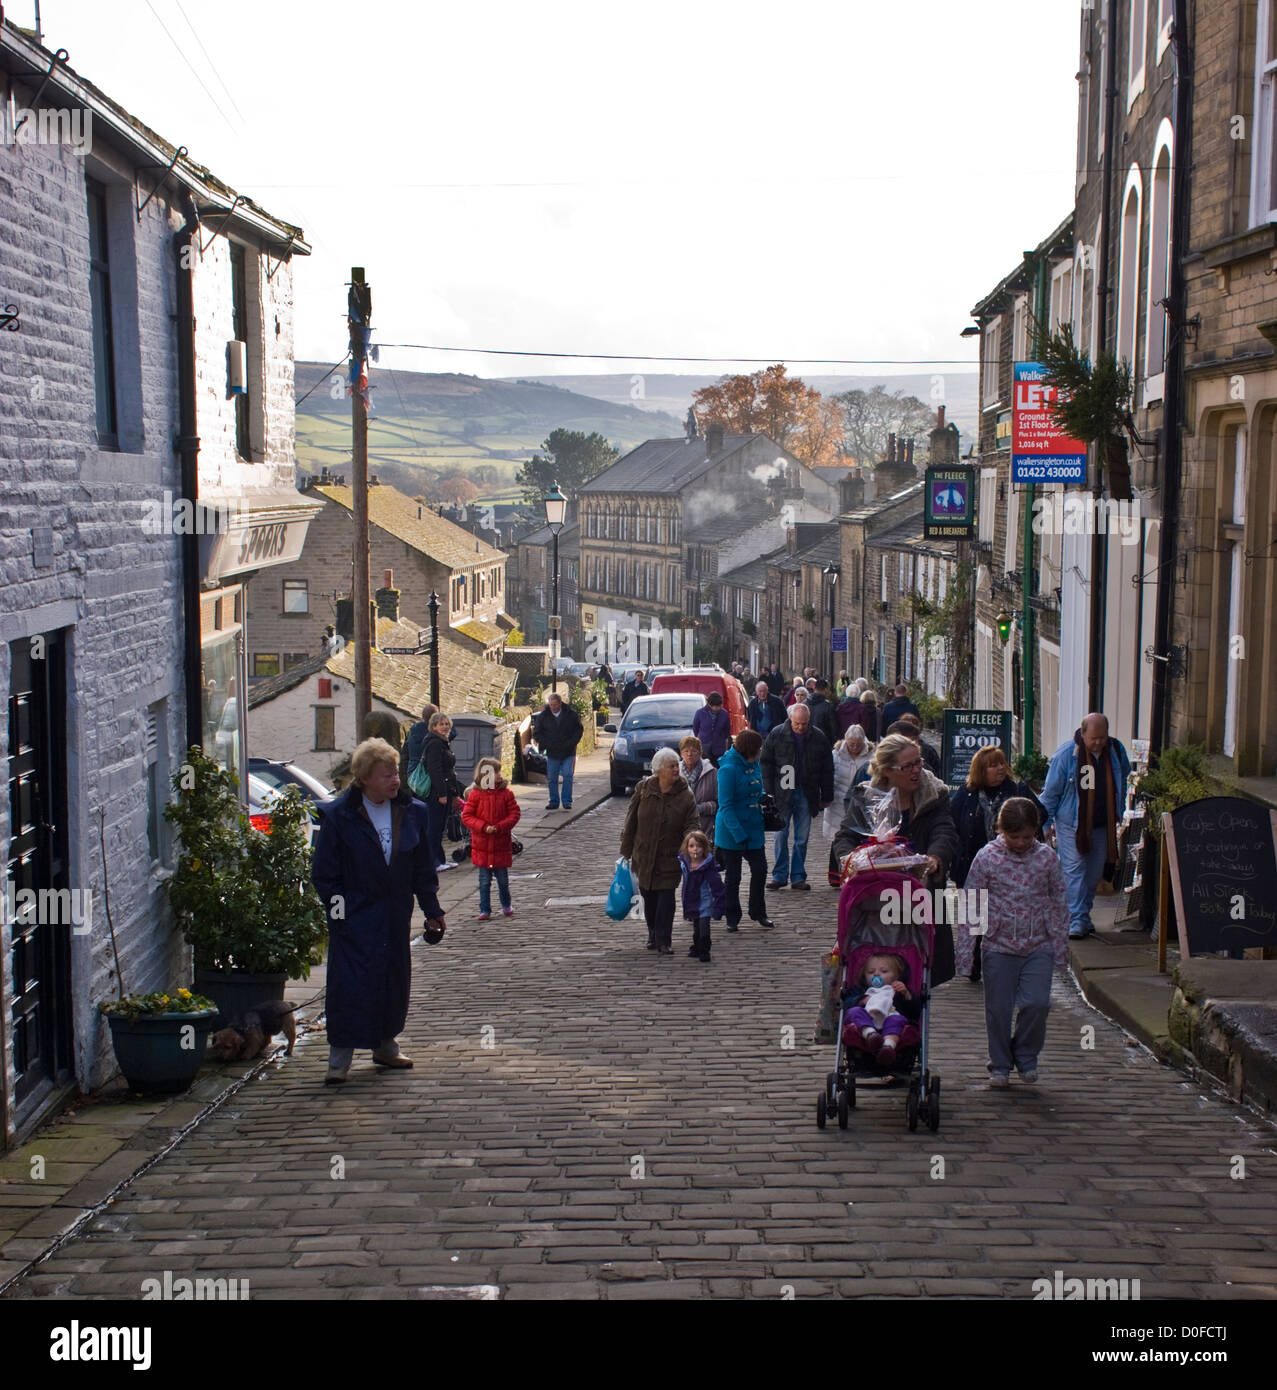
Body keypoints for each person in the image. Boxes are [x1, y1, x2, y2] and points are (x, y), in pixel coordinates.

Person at [312, 738, 444, 1084]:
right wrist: (340, 913)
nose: (395, 780)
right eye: (386, 775)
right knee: (350, 986)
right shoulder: (340, 817)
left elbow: (422, 868)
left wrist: (432, 909)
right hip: (355, 916)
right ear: (364, 779)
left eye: (396, 773)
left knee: (392, 980)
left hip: (395, 914)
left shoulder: (411, 812)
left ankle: (385, 1045)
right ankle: (339, 1057)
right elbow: (326, 873)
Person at [833, 732, 959, 983]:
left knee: (916, 976)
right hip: (873, 905)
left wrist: (934, 858)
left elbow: (944, 830)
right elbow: (845, 837)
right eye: (908, 766)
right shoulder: (865, 797)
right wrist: (851, 861)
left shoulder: (934, 794)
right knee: (870, 971)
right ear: (888, 770)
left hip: (919, 898)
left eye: (919, 762)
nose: (917, 770)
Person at [965, 798, 1069, 1086]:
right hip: (998, 945)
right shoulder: (987, 857)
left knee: (1037, 1004)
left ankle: (1025, 1055)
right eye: (1014, 837)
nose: (1022, 843)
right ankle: (999, 1062)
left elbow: (1059, 902)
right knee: (998, 1009)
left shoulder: (1047, 858)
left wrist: (1060, 947)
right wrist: (966, 952)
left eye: (1027, 836)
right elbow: (972, 904)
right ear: (1001, 830)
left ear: (1036, 830)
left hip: (1038, 943)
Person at [1039, 712, 1131, 939]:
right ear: (1083, 734)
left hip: (1102, 824)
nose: (1099, 742)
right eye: (1094, 738)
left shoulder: (1116, 752)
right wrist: (1045, 823)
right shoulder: (1066, 756)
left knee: (1093, 874)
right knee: (1075, 871)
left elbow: (1123, 777)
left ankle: (1083, 915)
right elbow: (1050, 793)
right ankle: (1075, 919)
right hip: (1072, 824)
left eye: (1102, 737)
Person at [620, 747, 699, 955]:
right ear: (659, 770)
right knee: (648, 897)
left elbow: (692, 823)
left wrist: (692, 845)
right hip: (644, 854)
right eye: (671, 766)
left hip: (669, 856)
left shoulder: (685, 795)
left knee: (666, 898)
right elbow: (631, 821)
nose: (676, 769)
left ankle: (665, 939)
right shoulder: (644, 789)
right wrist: (626, 850)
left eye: (677, 766)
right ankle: (653, 932)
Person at [761, 702, 834, 891]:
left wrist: (826, 794)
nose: (801, 727)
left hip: (806, 790)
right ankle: (779, 875)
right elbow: (766, 763)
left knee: (802, 837)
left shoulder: (818, 737)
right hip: (783, 790)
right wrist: (769, 790)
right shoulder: (777, 734)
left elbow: (827, 768)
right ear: (790, 720)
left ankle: (798, 876)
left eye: (804, 724)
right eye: (797, 724)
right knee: (780, 835)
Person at [714, 729, 776, 933]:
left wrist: (764, 797)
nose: (760, 752)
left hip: (753, 826)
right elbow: (725, 806)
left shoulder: (753, 763)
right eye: (758, 748)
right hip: (732, 830)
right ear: (750, 749)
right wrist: (738, 834)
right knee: (734, 876)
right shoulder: (728, 769)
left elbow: (756, 789)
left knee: (760, 870)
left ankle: (758, 911)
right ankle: (732, 916)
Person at [459, 756, 521, 920]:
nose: (499, 775)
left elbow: (514, 813)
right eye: (496, 772)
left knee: (503, 881)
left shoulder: (506, 794)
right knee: (484, 882)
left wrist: (500, 826)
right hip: (482, 846)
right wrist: (483, 827)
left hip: (500, 845)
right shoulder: (475, 795)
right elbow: (467, 816)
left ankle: (506, 904)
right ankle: (485, 909)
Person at [841, 951, 923, 1070]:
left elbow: (914, 1011)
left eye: (884, 971)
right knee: (853, 1012)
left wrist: (906, 995)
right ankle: (871, 1035)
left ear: (896, 975)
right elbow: (847, 1004)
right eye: (871, 972)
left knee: (897, 1019)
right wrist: (861, 1000)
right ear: (864, 975)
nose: (876, 974)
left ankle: (888, 1048)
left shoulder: (899, 991)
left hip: (890, 1024)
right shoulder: (861, 991)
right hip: (866, 1026)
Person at [420, 712, 464, 872]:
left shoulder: (442, 741)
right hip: (437, 792)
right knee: (435, 827)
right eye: (441, 724)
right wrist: (442, 794)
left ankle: (441, 860)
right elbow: (435, 770)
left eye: (446, 723)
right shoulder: (434, 743)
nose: (445, 726)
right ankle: (433, 861)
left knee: (440, 827)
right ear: (434, 726)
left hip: (446, 789)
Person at [678, 830, 725, 963]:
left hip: (705, 901)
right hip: (691, 900)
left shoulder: (708, 868)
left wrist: (719, 906)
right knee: (696, 925)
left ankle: (704, 949)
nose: (695, 850)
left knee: (704, 926)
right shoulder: (685, 864)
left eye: (698, 846)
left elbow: (718, 888)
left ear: (704, 848)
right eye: (692, 846)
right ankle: (696, 946)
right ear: (687, 848)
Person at [534, 690, 584, 811]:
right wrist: (545, 743)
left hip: (568, 751)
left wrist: (571, 743)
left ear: (560, 704)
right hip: (552, 751)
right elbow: (537, 732)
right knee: (552, 777)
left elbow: (578, 730)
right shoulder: (543, 716)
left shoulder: (571, 715)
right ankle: (554, 801)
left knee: (567, 775)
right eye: (551, 705)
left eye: (555, 705)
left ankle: (567, 801)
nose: (553, 707)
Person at [678, 736, 719, 843]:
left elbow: (718, 803)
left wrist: (699, 808)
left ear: (700, 753)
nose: (689, 754)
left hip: (705, 829)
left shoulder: (711, 772)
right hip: (679, 829)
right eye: (686, 751)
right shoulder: (675, 773)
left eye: (693, 751)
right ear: (681, 754)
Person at [402, 702, 439, 783]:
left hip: (412, 772)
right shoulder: (433, 733)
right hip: (426, 774)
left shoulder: (414, 729)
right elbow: (453, 732)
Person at [692, 691, 732, 766]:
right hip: (704, 746)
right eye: (717, 706)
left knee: (718, 767)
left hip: (719, 746)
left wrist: (724, 741)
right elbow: (695, 728)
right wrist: (701, 739)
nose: (719, 708)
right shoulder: (700, 713)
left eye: (720, 705)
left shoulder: (724, 714)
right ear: (710, 705)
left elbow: (727, 730)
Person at [806, 679, 837, 745]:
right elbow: (833, 727)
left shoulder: (805, 704)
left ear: (814, 688)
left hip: (806, 739)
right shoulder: (828, 706)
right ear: (825, 689)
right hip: (823, 741)